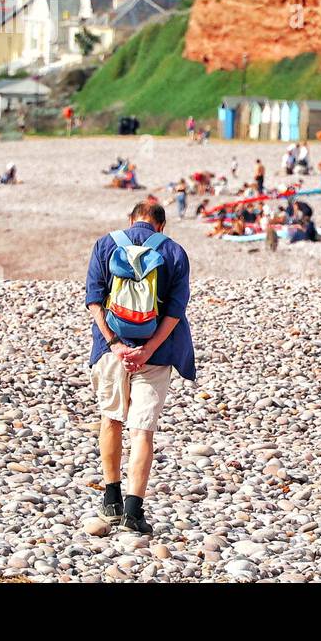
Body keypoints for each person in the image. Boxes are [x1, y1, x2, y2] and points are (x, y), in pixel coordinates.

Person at [84, 201, 193, 535]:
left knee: (112, 418)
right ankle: (134, 511)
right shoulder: (174, 252)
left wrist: (115, 344)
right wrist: (147, 350)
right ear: (161, 225)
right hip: (156, 355)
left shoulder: (106, 244)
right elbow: (175, 311)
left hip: (111, 351)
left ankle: (111, 499)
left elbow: (93, 299)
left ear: (131, 220)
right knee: (142, 429)